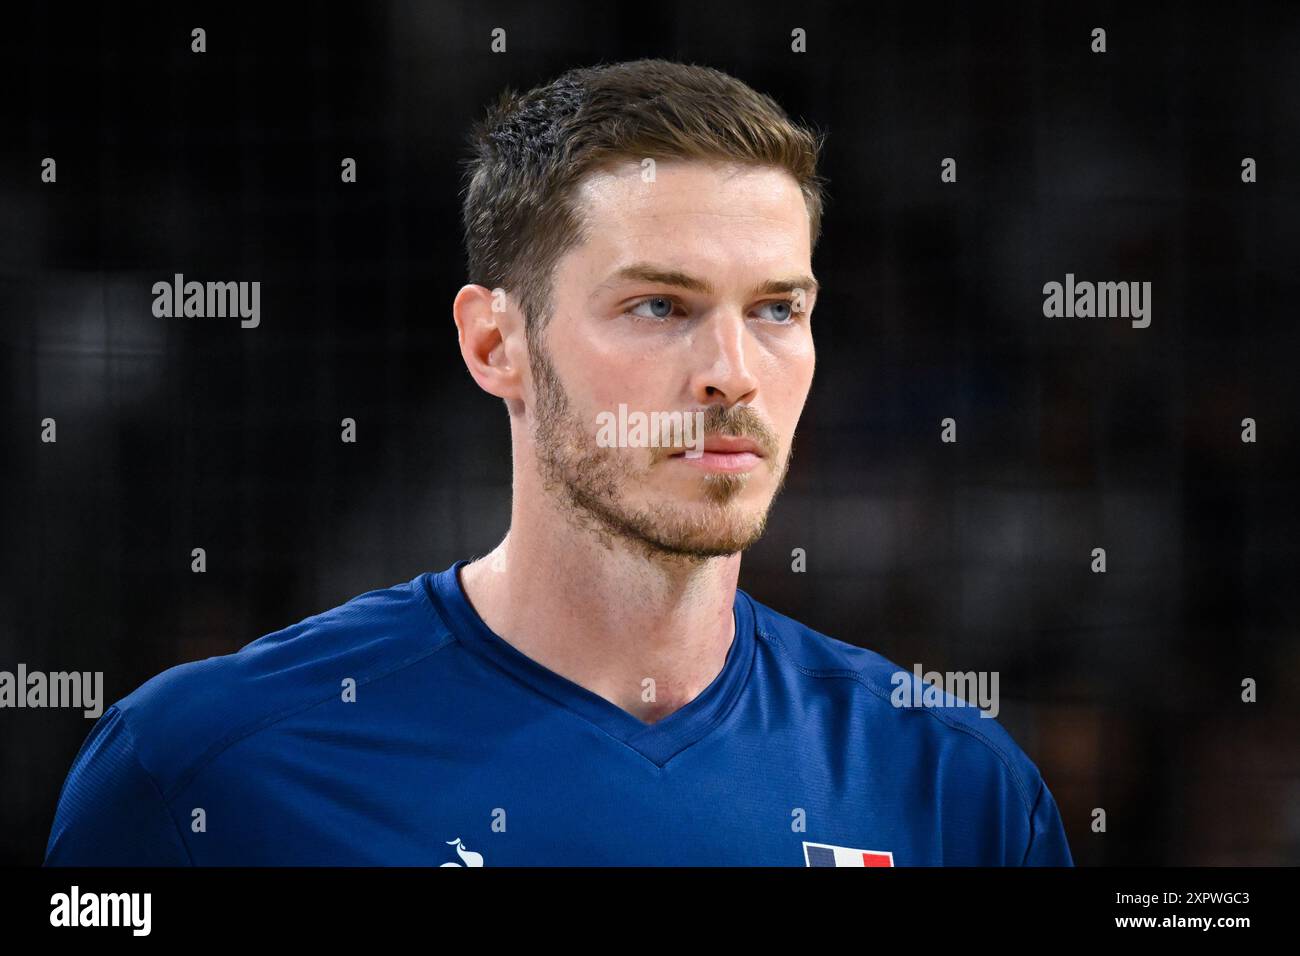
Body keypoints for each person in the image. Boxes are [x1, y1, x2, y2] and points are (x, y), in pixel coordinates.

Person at [45, 58, 1072, 866]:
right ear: (496, 343)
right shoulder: (205, 768)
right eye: (658, 305)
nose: (732, 373)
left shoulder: (954, 789)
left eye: (775, 309)